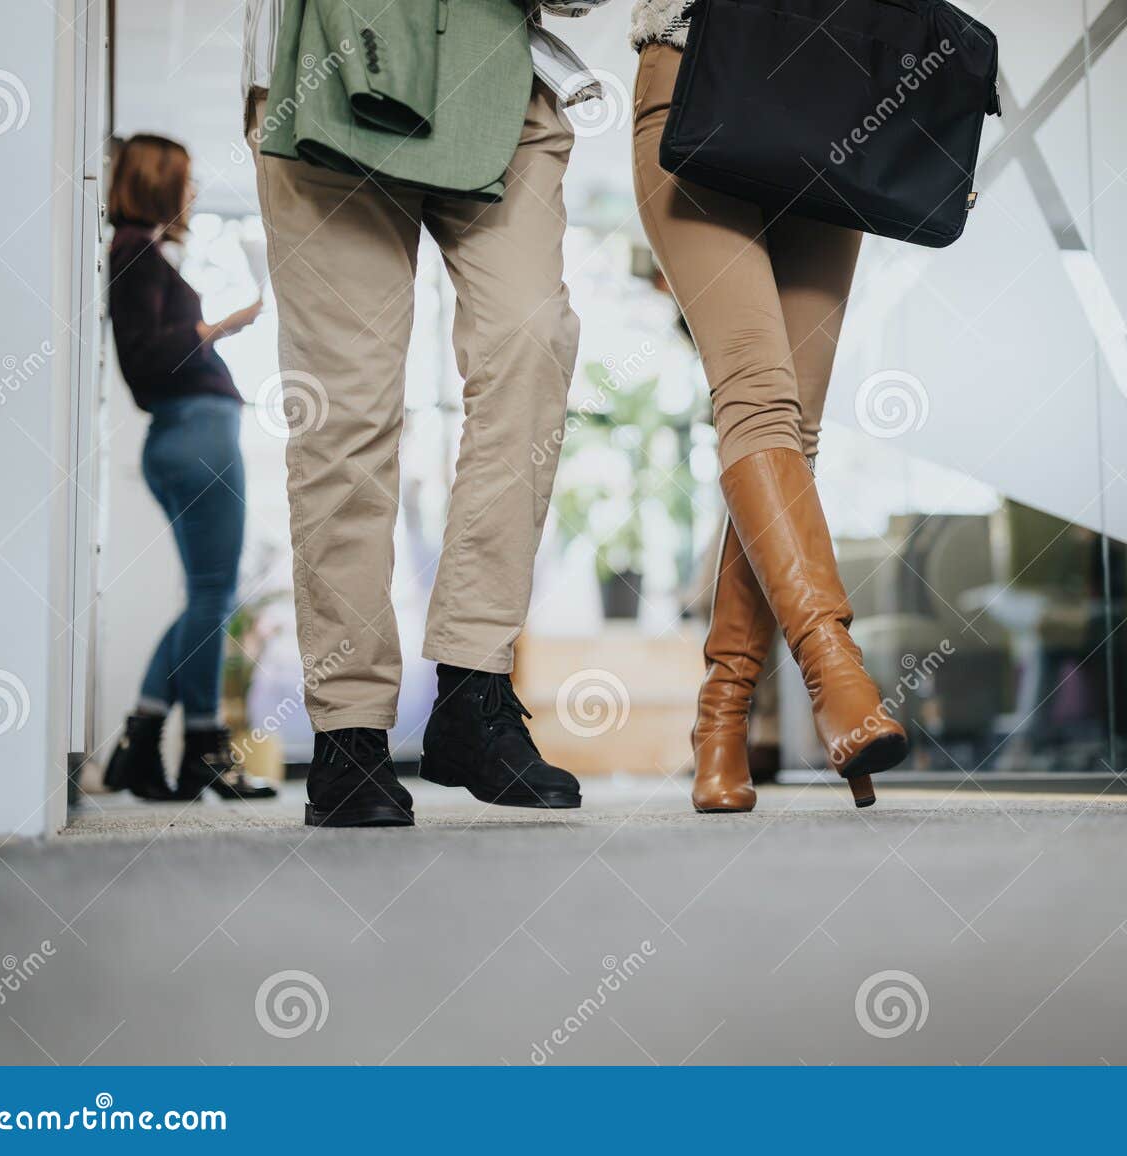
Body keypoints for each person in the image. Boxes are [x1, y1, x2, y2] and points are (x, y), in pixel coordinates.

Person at [243, 0, 606, 827]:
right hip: (326, 65)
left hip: (495, 75)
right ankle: (349, 732)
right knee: (347, 407)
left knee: (530, 341)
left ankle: (472, 695)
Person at [628, 3, 910, 812]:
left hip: (832, 100)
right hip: (697, 78)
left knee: (794, 433)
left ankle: (721, 722)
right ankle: (838, 676)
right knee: (757, 396)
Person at [102, 134, 277, 804]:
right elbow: (142, 357)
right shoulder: (134, 252)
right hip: (195, 434)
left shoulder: (141, 252)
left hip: (185, 436)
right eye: (187, 180)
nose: (194, 192)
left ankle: (140, 747)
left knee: (206, 597)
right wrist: (216, 329)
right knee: (213, 595)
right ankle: (203, 747)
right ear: (158, 183)